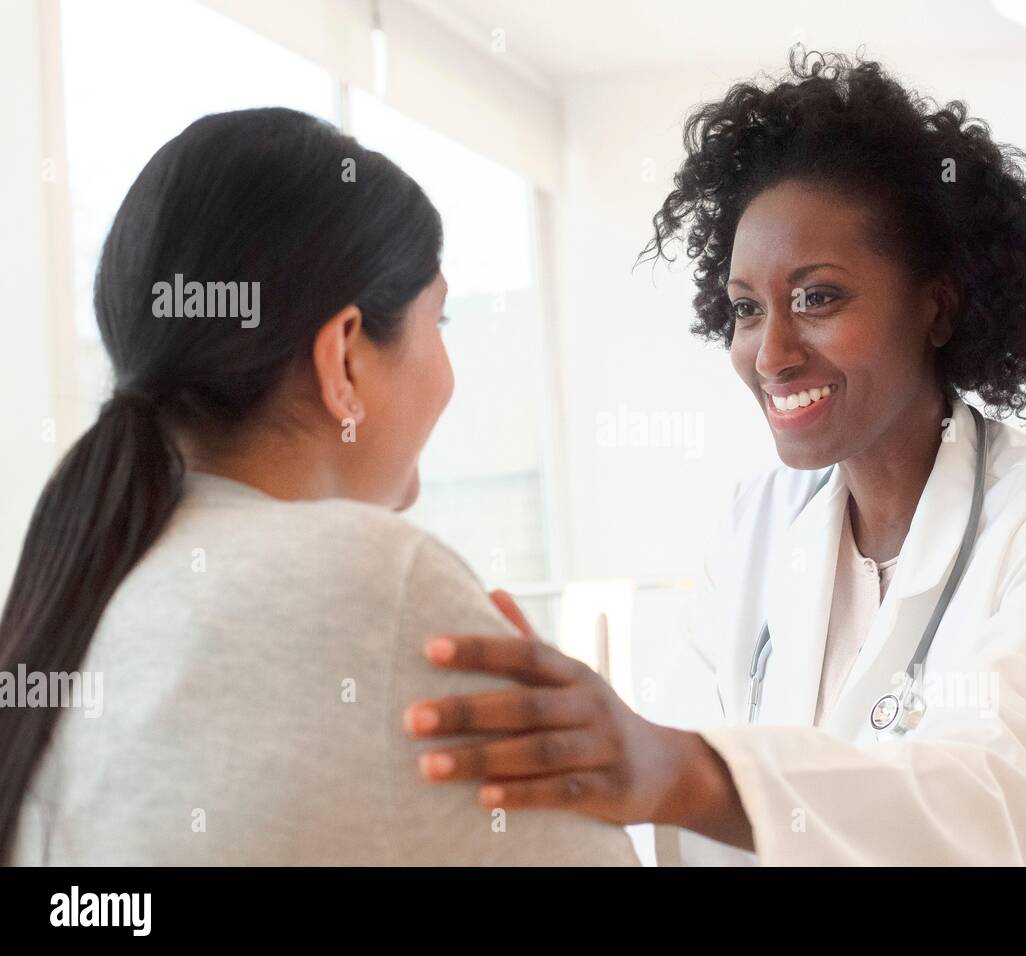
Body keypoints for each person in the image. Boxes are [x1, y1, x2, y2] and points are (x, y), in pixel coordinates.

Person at [402, 51, 1026, 866]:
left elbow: (1000, 809)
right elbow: (672, 815)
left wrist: (681, 770)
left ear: (938, 306)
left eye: (817, 297)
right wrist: (563, 759)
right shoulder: (759, 524)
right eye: (745, 309)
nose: (770, 353)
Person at [0, 108, 636, 866]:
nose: (447, 372)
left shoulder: (84, 579)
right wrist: (602, 768)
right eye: (440, 320)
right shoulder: (375, 576)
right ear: (343, 360)